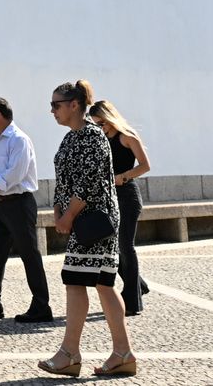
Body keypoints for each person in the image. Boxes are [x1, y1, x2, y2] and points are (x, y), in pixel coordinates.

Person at [38, 80, 134, 377]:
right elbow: (63, 180)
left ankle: (71, 353)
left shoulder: (93, 135)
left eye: (56, 104)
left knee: (82, 280)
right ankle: (121, 354)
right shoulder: (70, 139)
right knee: (97, 282)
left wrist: (68, 215)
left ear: (74, 104)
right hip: (81, 219)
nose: (52, 110)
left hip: (95, 219)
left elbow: (89, 182)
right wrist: (58, 211)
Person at [0, 96, 51, 323]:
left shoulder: (19, 140)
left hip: (19, 203)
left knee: (29, 254)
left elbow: (16, 172)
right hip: (2, 204)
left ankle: (41, 305)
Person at [89, 99, 152, 316]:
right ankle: (139, 285)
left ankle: (132, 301)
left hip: (127, 197)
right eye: (96, 124)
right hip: (110, 199)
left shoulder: (127, 136)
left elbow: (145, 165)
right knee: (112, 248)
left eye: (102, 123)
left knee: (126, 247)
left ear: (110, 118)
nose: (100, 128)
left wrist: (123, 177)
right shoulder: (102, 140)